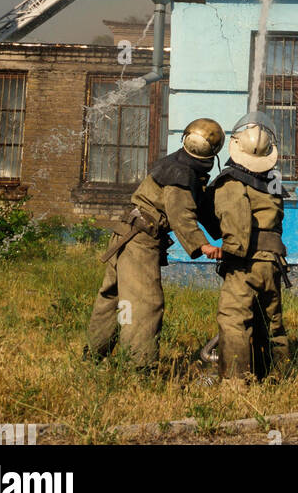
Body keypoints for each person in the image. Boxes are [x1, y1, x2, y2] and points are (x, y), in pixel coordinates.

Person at [85, 117, 224, 369]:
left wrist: (221, 231)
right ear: (214, 153)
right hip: (140, 241)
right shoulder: (182, 175)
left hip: (127, 234)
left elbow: (197, 204)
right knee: (144, 303)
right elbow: (181, 214)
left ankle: (94, 355)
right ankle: (137, 366)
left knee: (115, 299)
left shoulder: (176, 163)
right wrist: (203, 245)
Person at [208, 113, 290, 381]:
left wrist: (231, 256)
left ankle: (236, 382)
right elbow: (277, 217)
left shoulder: (231, 181)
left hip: (246, 261)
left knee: (234, 319)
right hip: (273, 261)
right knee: (272, 321)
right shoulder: (274, 181)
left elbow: (236, 224)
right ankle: (279, 376)